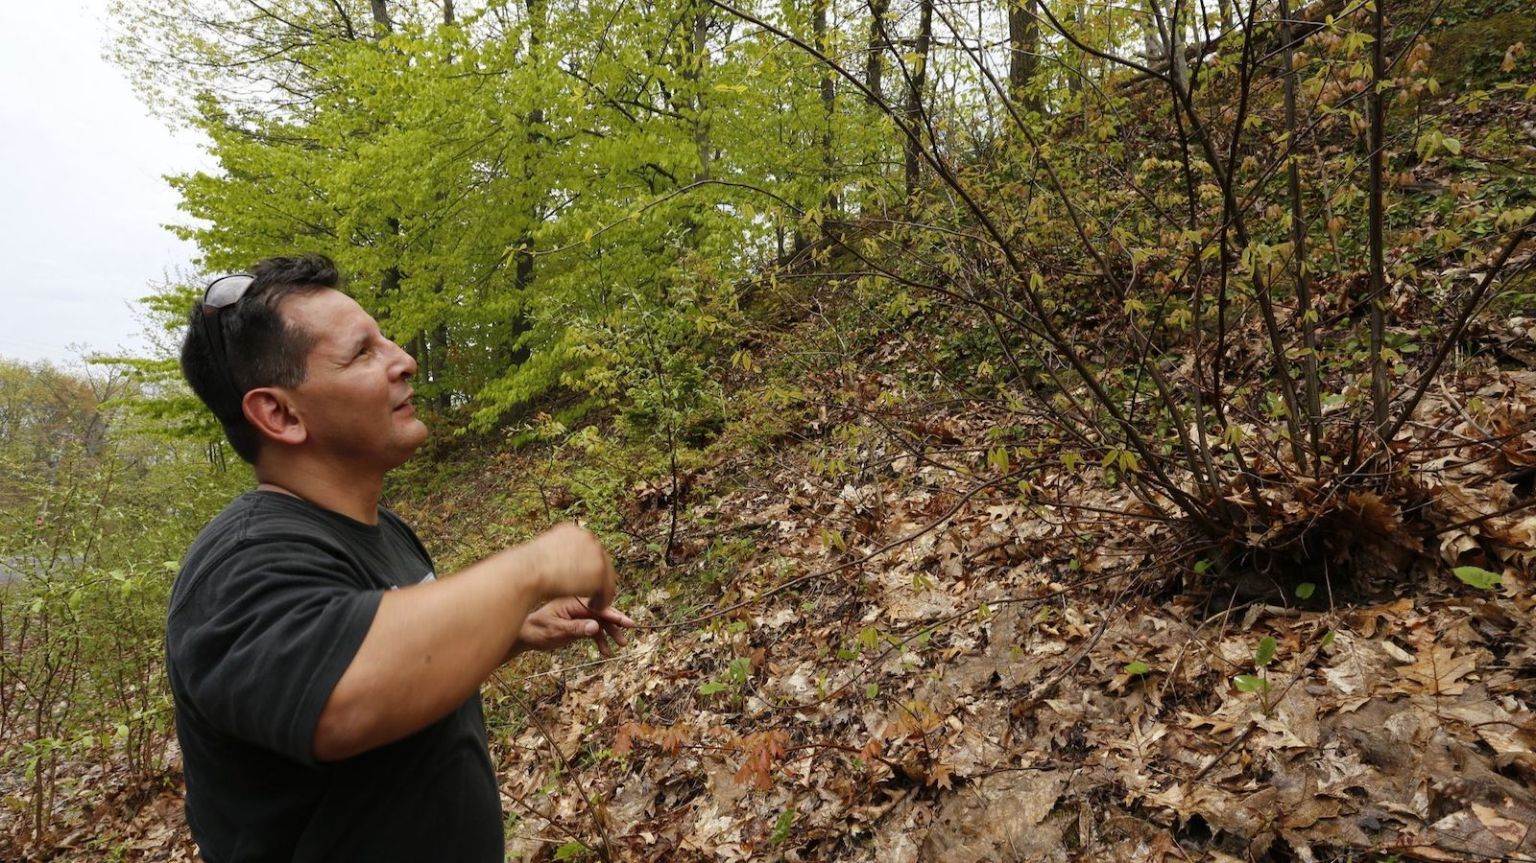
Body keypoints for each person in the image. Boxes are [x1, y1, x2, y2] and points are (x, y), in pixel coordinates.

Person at [167, 254, 633, 862]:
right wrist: (532, 567)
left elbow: (387, 658)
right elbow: (340, 699)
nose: (404, 359)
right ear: (279, 414)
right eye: (362, 353)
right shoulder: (241, 564)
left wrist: (512, 630)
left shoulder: (381, 530)